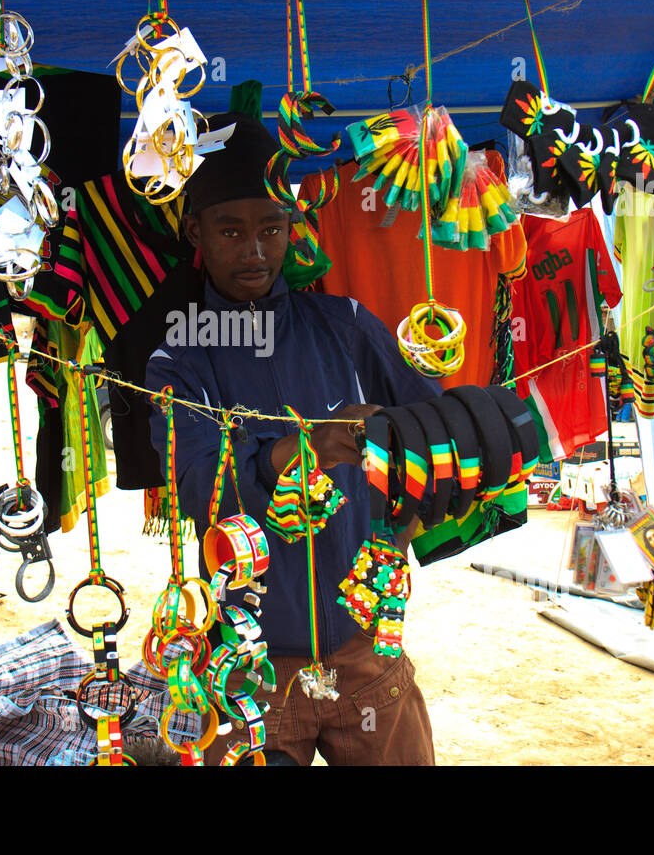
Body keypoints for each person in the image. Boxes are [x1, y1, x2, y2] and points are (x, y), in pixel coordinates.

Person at [145, 113, 441, 765]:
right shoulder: (179, 359)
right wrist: (304, 447)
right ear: (195, 230)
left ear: (291, 228)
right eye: (231, 230)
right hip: (250, 670)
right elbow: (199, 489)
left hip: (365, 656)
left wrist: (398, 525)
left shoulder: (345, 324)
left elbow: (432, 429)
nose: (254, 250)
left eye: (271, 229)